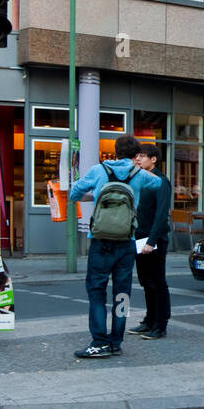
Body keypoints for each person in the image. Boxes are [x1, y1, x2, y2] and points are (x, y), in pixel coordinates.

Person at [68, 134, 162, 358]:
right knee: (122, 294)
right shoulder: (139, 174)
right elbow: (158, 183)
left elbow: (74, 193)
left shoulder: (99, 170)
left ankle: (99, 342)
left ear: (114, 151)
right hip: (126, 242)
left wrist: (96, 196)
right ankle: (115, 342)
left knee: (96, 292)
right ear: (136, 154)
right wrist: (138, 167)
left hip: (100, 241)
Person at [131, 143, 173, 339]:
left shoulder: (160, 181)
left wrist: (152, 240)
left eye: (142, 156)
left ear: (153, 159)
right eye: (136, 156)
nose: (138, 159)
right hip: (140, 237)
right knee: (146, 281)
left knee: (158, 282)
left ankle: (160, 324)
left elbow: (161, 214)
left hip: (154, 238)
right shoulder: (141, 179)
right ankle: (149, 320)